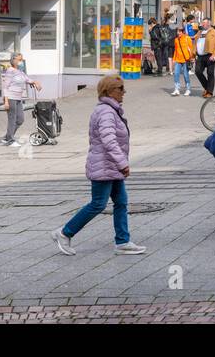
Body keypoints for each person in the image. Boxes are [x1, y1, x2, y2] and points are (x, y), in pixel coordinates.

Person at [52, 75, 146, 256]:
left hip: (111, 167)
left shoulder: (111, 110)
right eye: (120, 89)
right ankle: (64, 233)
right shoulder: (106, 112)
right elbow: (109, 140)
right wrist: (122, 163)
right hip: (104, 166)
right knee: (98, 204)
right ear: (109, 91)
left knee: (121, 202)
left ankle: (123, 241)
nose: (123, 92)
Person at [0, 52, 41, 146]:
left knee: (20, 119)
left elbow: (28, 79)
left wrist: (35, 82)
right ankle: (10, 140)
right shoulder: (10, 71)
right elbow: (5, 87)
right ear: (13, 60)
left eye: (21, 59)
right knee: (12, 119)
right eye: (19, 60)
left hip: (18, 98)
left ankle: (7, 136)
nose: (21, 62)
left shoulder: (20, 72)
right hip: (10, 98)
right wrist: (6, 101)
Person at [195, 17, 215, 98]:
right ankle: (207, 87)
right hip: (200, 55)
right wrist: (193, 54)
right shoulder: (200, 32)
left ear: (209, 23)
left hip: (210, 55)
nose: (203, 24)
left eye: (204, 23)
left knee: (210, 73)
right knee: (198, 71)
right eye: (202, 23)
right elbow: (194, 42)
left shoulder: (214, 32)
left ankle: (209, 92)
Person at [171, 24, 195, 97]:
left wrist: (192, 58)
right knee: (176, 74)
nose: (178, 33)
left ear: (183, 32)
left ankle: (188, 89)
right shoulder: (176, 40)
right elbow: (176, 50)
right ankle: (177, 89)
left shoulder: (187, 38)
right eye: (177, 31)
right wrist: (174, 59)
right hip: (178, 59)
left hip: (186, 60)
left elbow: (191, 49)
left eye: (180, 31)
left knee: (185, 75)